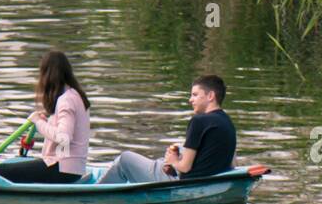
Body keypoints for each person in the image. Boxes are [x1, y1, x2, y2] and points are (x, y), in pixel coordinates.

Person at [97, 74, 236, 184]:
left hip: (182, 182)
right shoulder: (226, 121)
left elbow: (185, 167)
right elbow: (228, 161)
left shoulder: (199, 121)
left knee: (124, 159)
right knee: (168, 156)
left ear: (211, 96)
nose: (190, 100)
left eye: (195, 95)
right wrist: (174, 160)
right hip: (203, 177)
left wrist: (173, 161)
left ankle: (94, 193)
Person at [0, 50, 91, 184]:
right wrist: (45, 123)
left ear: (47, 75)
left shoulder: (66, 100)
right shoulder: (76, 95)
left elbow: (64, 137)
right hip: (72, 167)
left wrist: (38, 122)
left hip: (62, 168)